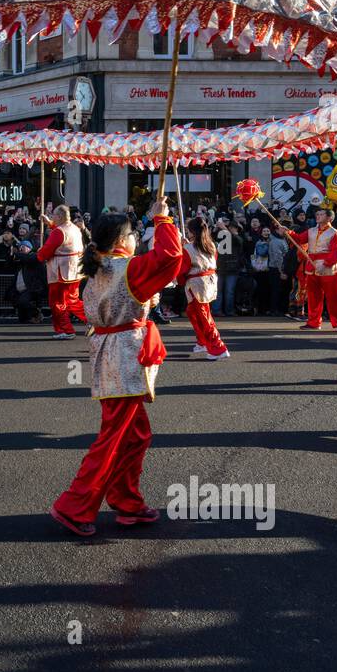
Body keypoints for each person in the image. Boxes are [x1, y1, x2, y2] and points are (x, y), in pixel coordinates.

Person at [50, 199, 185, 537]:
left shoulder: (103, 268)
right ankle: (75, 505)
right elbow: (171, 257)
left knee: (136, 434)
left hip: (112, 353)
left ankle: (127, 501)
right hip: (123, 357)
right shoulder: (127, 268)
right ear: (122, 241)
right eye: (133, 234)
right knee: (113, 438)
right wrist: (163, 218)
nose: (136, 239)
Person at [277, 207, 337, 331]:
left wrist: (326, 263)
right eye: (317, 214)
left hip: (328, 269)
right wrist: (288, 232)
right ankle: (314, 322)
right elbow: (299, 239)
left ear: (329, 218)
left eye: (321, 214)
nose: (318, 216)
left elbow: (336, 250)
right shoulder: (311, 231)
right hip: (311, 266)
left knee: (332, 297)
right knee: (313, 296)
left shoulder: (334, 232)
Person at [181, 216, 229, 360]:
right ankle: (203, 341)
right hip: (209, 280)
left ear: (192, 232)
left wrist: (183, 248)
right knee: (192, 312)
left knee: (204, 316)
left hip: (196, 283)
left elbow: (184, 268)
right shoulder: (211, 245)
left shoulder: (188, 248)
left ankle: (218, 347)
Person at [37, 204, 87, 340]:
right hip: (75, 271)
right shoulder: (75, 228)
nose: (53, 217)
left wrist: (38, 255)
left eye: (54, 215)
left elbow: (48, 248)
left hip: (60, 272)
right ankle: (94, 320)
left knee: (58, 302)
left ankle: (66, 330)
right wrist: (50, 223)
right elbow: (63, 235)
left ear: (59, 216)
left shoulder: (58, 232)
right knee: (73, 300)